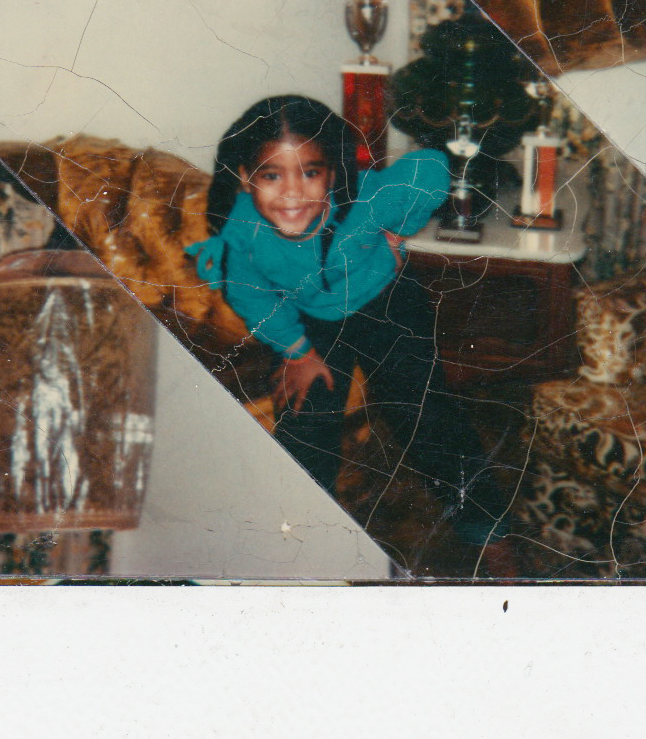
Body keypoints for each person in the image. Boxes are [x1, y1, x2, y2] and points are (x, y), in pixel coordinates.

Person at [188, 94, 511, 559]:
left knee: (423, 412)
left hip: (387, 302)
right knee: (303, 421)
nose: (293, 194)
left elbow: (433, 170)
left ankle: (488, 528)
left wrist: (400, 226)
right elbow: (250, 296)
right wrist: (297, 351)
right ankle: (301, 537)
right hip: (312, 320)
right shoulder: (241, 232)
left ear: (334, 173)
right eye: (272, 176)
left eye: (310, 173)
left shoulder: (366, 198)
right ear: (245, 176)